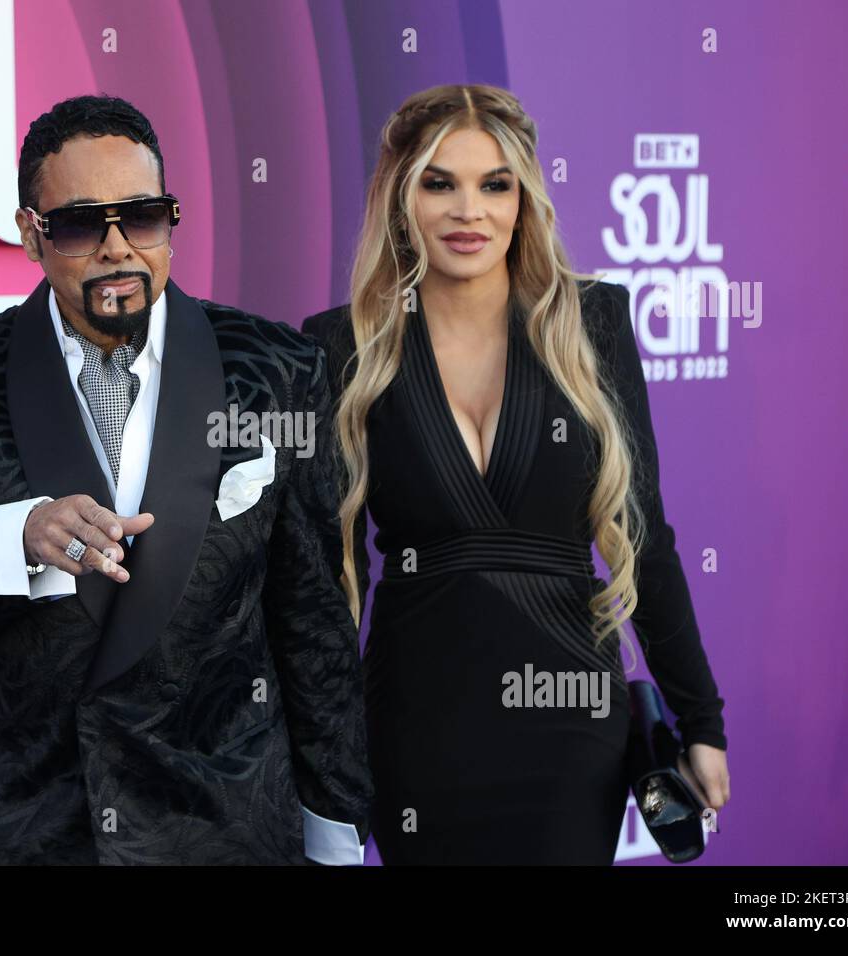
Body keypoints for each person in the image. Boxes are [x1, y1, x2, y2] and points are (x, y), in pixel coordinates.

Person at [0, 94, 372, 864]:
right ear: (31, 235)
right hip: (36, 831)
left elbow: (312, 618)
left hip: (224, 824)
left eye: (144, 218)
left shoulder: (278, 370)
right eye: (79, 224)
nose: (117, 247)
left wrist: (333, 826)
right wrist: (13, 544)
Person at [302, 84, 729, 864]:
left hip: (570, 723)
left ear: (524, 198)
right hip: (415, 724)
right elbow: (329, 583)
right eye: (441, 183)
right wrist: (323, 757)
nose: (471, 210)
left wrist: (701, 723)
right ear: (401, 198)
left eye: (495, 184)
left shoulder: (590, 324)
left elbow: (645, 536)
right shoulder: (344, 346)